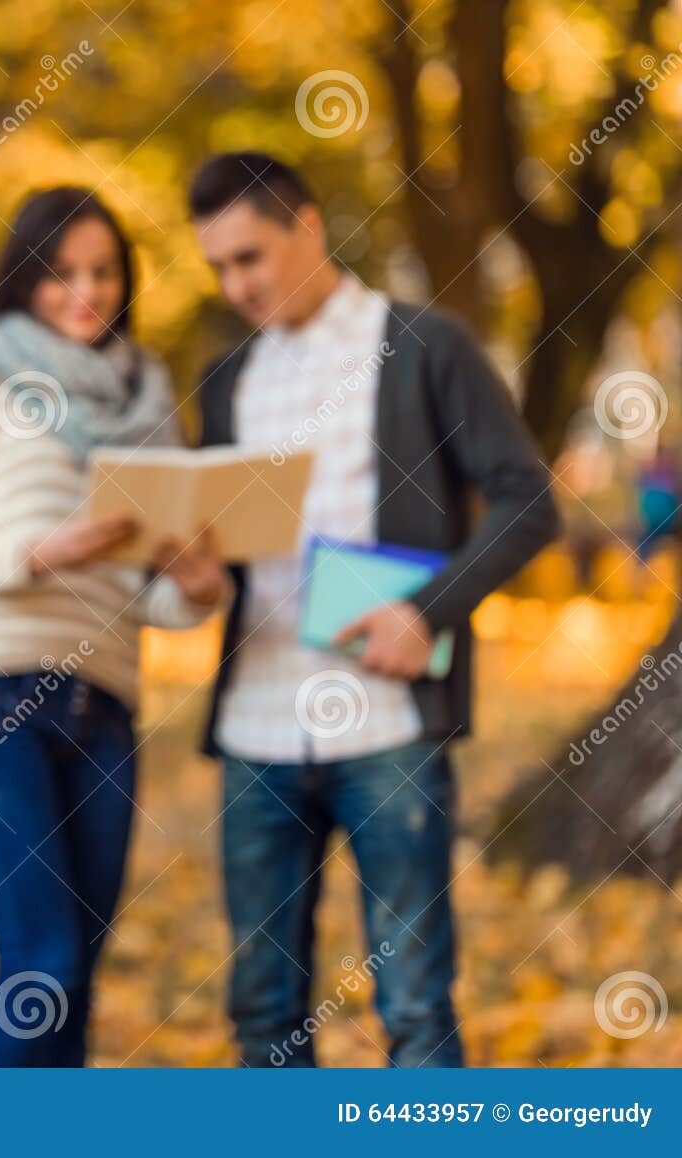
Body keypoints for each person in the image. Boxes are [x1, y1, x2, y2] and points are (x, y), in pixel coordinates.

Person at [187, 152, 561, 1067]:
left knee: (415, 1008)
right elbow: (221, 554)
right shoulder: (228, 379)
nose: (237, 285)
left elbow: (528, 501)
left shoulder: (426, 346)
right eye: (219, 268)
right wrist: (190, 577)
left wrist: (426, 610)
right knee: (263, 1017)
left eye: (252, 257)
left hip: (389, 725)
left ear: (308, 227)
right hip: (257, 729)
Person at [0, 186, 230, 1066]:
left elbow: (148, 595)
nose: (85, 290)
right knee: (40, 961)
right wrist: (47, 549)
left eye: (104, 271)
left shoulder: (148, 396)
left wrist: (197, 588)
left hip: (105, 711)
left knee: (78, 971)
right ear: (26, 276)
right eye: (62, 272)